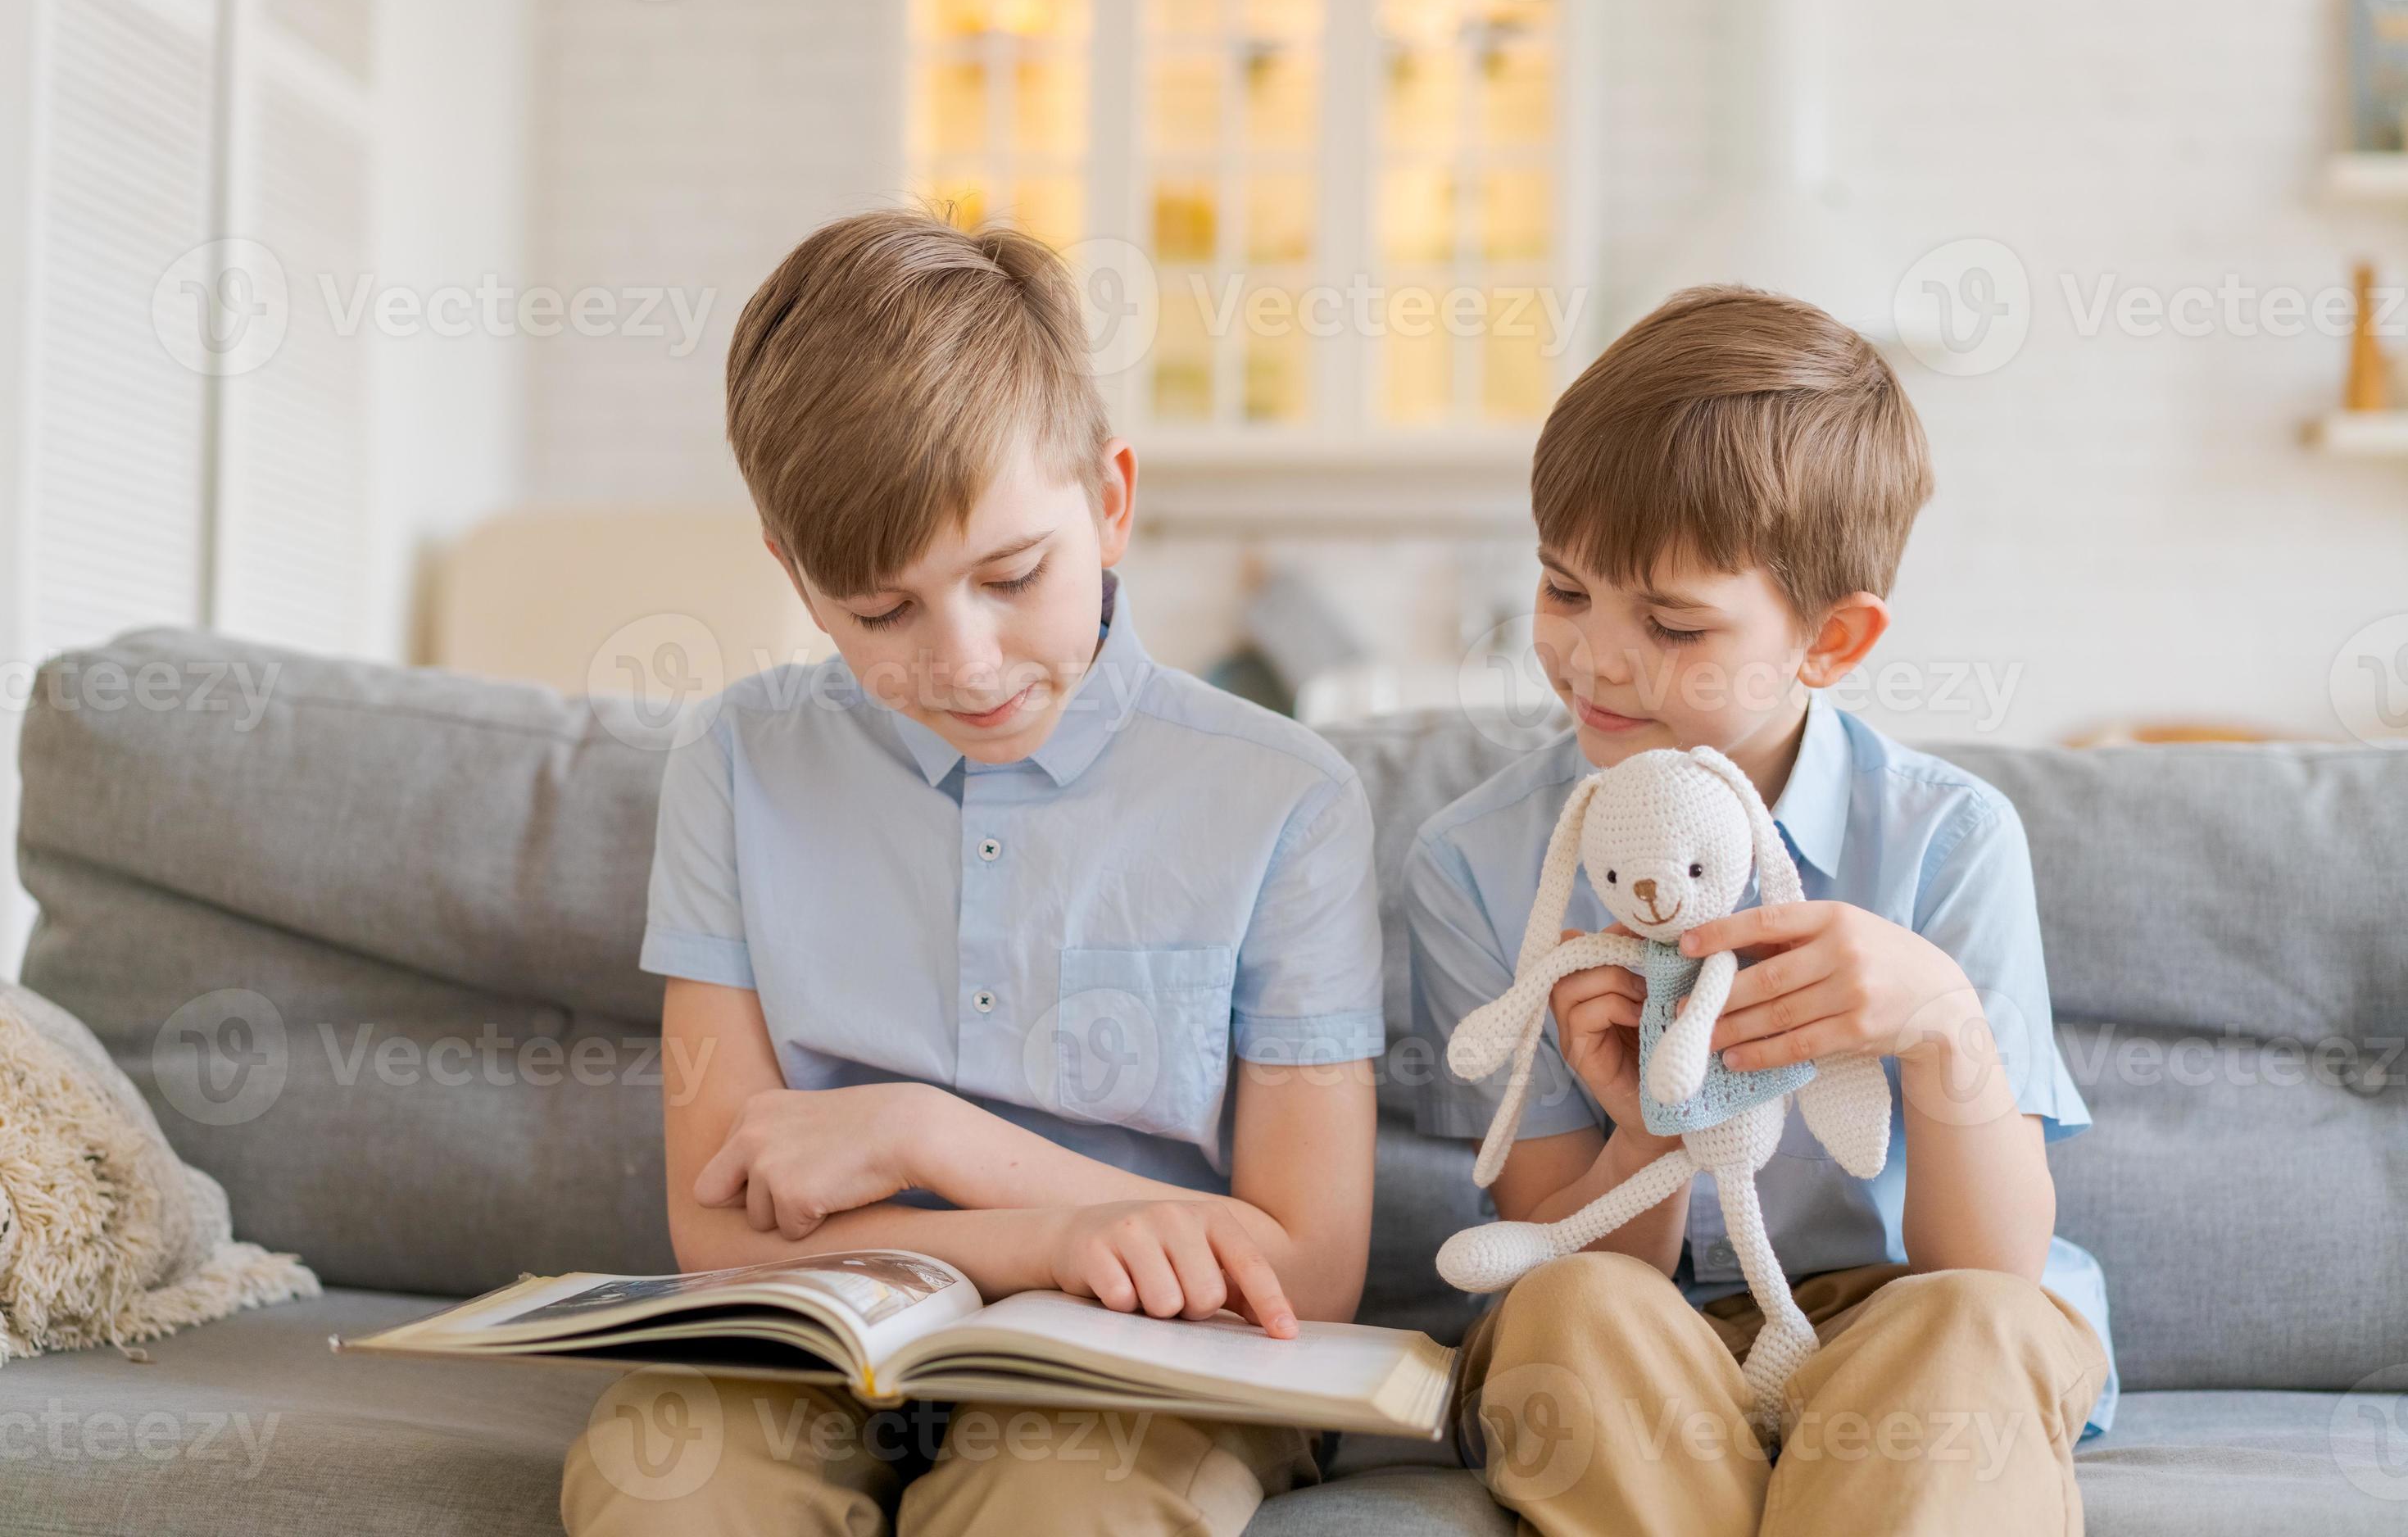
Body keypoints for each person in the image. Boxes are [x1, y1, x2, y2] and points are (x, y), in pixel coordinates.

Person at [562, 210, 1385, 1537]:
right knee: (670, 1476)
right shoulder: (735, 760)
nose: (964, 663)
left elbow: (1309, 1265)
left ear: (1110, 503)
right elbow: (714, 1234)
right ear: (797, 576)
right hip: (819, 1337)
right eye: (882, 612)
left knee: (1062, 1502)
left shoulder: (1285, 801)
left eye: (1012, 576)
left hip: (1145, 1365)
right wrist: (1049, 1234)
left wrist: (926, 1136)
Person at [1410, 285, 2116, 1536]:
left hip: (1901, 1310)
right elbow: (1583, 1261)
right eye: (1566, 593)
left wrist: (1942, 1024)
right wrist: (1644, 1135)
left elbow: (1989, 1265)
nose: (1599, 660)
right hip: (1650, 1321)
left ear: (1831, 641)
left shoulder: (1947, 837)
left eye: (1673, 624)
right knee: (1562, 1316)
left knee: (1971, 1329)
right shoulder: (1483, 861)